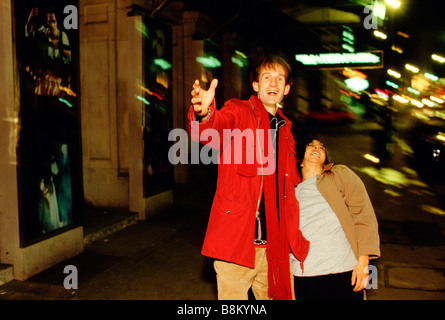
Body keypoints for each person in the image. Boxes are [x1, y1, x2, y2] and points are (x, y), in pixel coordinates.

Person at [188, 56, 309, 300]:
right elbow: (215, 128)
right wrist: (204, 114)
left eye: (279, 78)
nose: (272, 83)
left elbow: (291, 190)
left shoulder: (287, 132)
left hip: (274, 246)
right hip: (238, 243)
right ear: (255, 85)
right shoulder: (240, 112)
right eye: (266, 77)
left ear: (286, 89)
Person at [290, 137, 380, 300]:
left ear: (325, 162)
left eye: (321, 147)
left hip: (344, 271)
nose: (316, 148)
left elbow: (363, 215)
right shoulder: (289, 193)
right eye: (311, 145)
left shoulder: (339, 176)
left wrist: (363, 263)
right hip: (305, 276)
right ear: (300, 161)